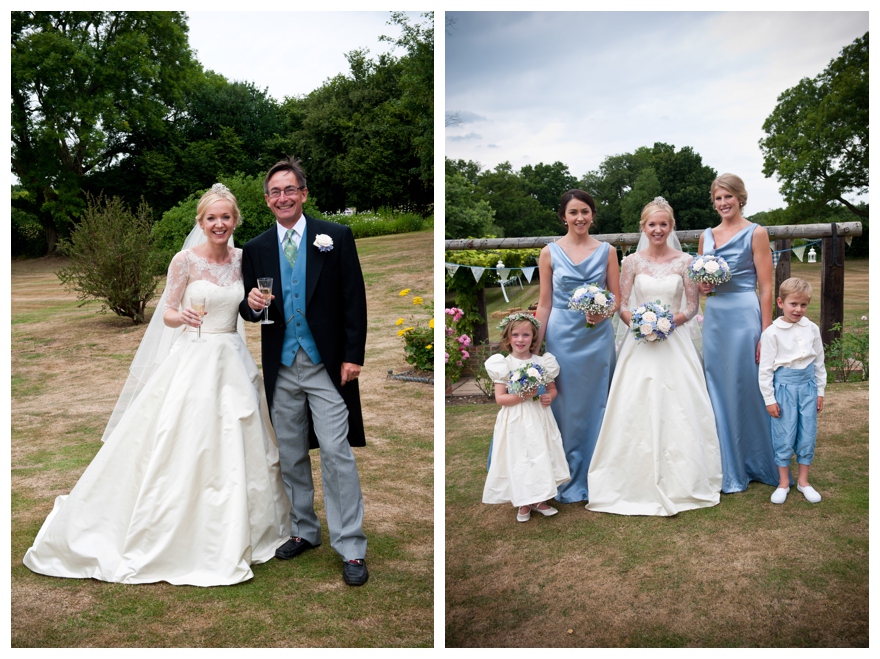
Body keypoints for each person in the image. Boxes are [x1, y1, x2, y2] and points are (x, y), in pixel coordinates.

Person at [23, 184, 291, 586]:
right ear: (201, 222)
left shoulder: (244, 259)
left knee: (241, 436)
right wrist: (182, 317)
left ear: (235, 220)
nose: (219, 224)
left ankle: (246, 525)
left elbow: (246, 306)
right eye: (211, 218)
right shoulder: (184, 260)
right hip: (194, 358)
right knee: (185, 439)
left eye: (225, 217)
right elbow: (167, 311)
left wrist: (254, 304)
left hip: (233, 359)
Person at [239, 156, 369, 587]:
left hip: (326, 366)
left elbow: (354, 299)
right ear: (267, 199)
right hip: (281, 367)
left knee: (335, 452)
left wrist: (352, 356)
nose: (283, 197)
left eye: (290, 189)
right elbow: (249, 308)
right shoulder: (255, 248)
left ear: (304, 194)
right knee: (291, 454)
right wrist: (250, 306)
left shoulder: (335, 237)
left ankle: (351, 546)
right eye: (275, 192)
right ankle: (304, 529)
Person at [586, 198, 722, 516]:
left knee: (681, 406)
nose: (657, 229)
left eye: (663, 224)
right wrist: (640, 323)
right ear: (643, 228)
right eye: (652, 224)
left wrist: (667, 323)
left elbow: (692, 306)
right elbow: (621, 305)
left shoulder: (686, 261)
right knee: (634, 405)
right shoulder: (631, 262)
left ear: (671, 226)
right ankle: (630, 478)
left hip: (675, 342)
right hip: (639, 344)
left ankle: (685, 477)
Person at [699, 173, 783, 493]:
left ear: (740, 198)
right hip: (716, 317)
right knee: (717, 386)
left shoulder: (756, 232)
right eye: (718, 198)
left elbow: (766, 287)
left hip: (745, 314)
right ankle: (725, 463)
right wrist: (704, 287)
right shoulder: (707, 236)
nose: (723, 203)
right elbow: (702, 285)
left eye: (728, 197)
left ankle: (757, 460)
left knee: (748, 385)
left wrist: (766, 332)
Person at [535, 189, 619, 504]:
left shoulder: (608, 252)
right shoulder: (549, 253)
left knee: (599, 403)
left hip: (597, 339)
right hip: (562, 338)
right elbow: (544, 304)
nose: (580, 217)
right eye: (573, 212)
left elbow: (616, 298)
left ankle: (600, 472)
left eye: (585, 211)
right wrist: (534, 348)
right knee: (565, 405)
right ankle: (564, 473)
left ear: (592, 215)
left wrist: (603, 312)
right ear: (563, 217)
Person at [483, 313, 570, 522]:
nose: (520, 340)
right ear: (508, 337)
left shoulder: (543, 362)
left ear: (533, 338)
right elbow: (500, 398)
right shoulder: (504, 364)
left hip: (539, 416)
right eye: (515, 335)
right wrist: (523, 395)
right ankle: (523, 501)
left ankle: (539, 499)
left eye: (526, 335)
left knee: (540, 454)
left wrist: (549, 396)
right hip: (516, 419)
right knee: (520, 457)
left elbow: (552, 389)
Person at [759, 278, 827, 504]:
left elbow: (819, 363)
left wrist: (820, 392)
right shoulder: (771, 333)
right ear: (780, 302)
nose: (798, 309)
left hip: (808, 388)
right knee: (784, 434)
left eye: (803, 305)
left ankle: (804, 482)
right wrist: (769, 399)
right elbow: (765, 370)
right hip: (784, 390)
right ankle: (783, 482)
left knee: (807, 433)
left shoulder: (812, 329)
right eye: (793, 304)